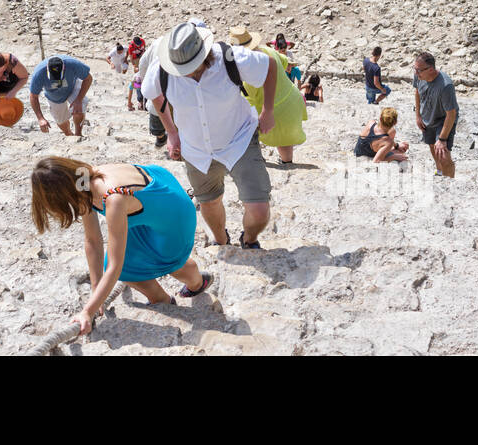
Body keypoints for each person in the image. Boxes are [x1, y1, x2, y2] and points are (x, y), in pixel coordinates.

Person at [31, 156, 209, 336]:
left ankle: (192, 283)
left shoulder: (113, 199)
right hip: (154, 195)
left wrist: (87, 312)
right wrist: (96, 292)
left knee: (132, 266)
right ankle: (168, 292)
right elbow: (93, 240)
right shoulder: (81, 177)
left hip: (174, 216)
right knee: (131, 261)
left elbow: (115, 267)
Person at [142, 21, 278, 248]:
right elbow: (153, 94)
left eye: (193, 67)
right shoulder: (162, 71)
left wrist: (268, 111)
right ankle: (222, 241)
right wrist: (171, 132)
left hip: (239, 140)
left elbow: (270, 66)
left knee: (260, 210)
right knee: (210, 203)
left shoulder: (230, 58)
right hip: (196, 150)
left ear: (205, 55)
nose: (186, 74)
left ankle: (249, 239)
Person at [227, 27, 308, 164]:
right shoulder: (267, 50)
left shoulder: (248, 72)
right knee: (284, 139)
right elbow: (283, 60)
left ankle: (257, 160)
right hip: (292, 99)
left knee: (251, 132)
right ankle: (287, 163)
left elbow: (247, 101)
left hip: (276, 109)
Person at [413, 51, 458, 178]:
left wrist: (442, 139)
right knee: (432, 147)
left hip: (443, 120)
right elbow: (417, 92)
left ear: (431, 69)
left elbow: (451, 114)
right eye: (415, 69)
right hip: (427, 117)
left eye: (419, 70)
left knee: (443, 155)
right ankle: (439, 172)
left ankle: (449, 183)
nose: (416, 73)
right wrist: (418, 116)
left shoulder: (446, 86)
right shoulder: (419, 75)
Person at [29, 55, 92, 136]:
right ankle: (68, 134)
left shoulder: (73, 64)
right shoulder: (39, 73)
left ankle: (78, 134)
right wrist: (40, 118)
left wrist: (79, 99)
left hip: (72, 86)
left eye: (58, 76)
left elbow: (88, 78)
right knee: (61, 121)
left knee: (79, 108)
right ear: (47, 69)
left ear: (64, 68)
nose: (56, 80)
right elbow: (33, 96)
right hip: (54, 95)